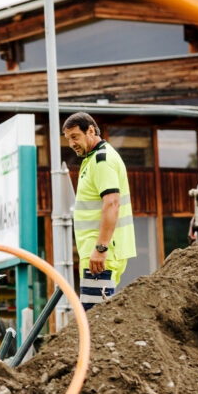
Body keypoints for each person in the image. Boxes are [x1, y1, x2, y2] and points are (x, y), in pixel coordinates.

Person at [62, 112, 137, 310]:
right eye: (68, 139)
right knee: (96, 315)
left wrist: (101, 248)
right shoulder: (93, 159)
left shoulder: (101, 160)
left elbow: (112, 203)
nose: (71, 144)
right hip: (98, 253)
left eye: (75, 137)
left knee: (94, 318)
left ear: (91, 130)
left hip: (101, 254)